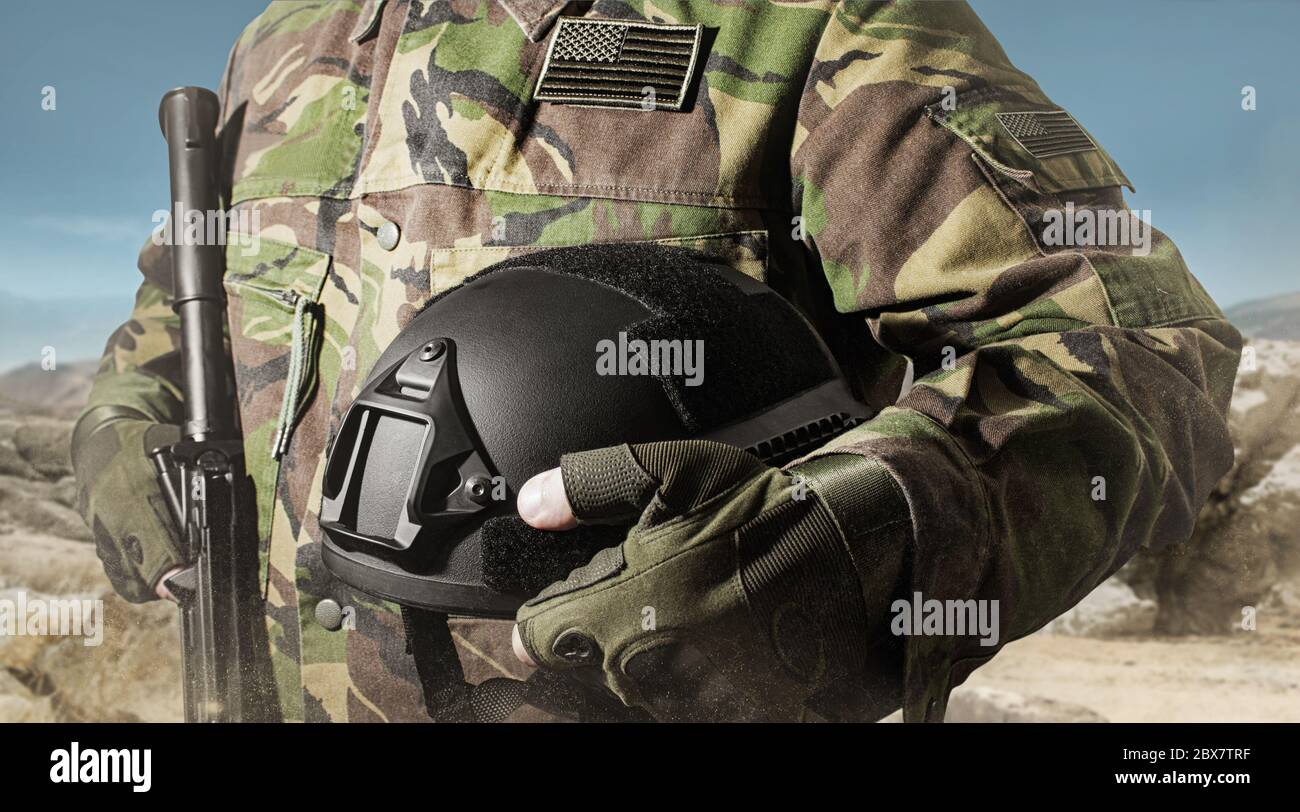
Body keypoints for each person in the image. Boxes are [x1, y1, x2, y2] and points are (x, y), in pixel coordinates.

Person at [72, 0, 1240, 722]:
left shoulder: (816, 18)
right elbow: (188, 300)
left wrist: (841, 550)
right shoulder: (283, 38)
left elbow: (1143, 352)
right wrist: (123, 417)